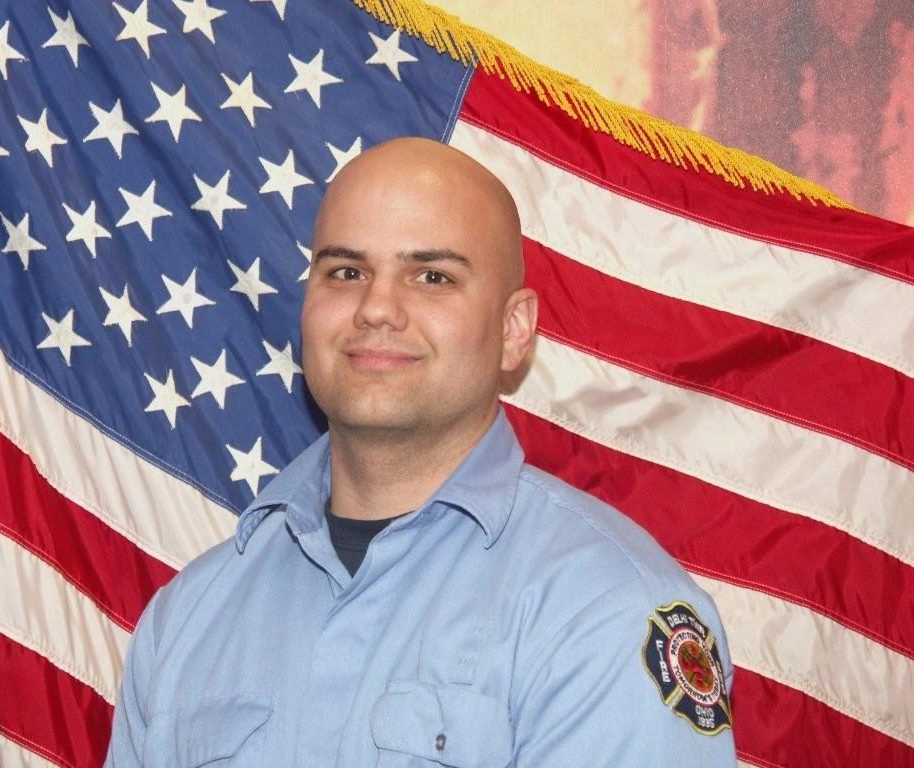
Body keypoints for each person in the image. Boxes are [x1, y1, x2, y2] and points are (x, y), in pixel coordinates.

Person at [105, 137, 736, 766]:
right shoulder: (189, 617)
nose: (377, 308)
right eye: (346, 272)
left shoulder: (605, 607)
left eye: (432, 277)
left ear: (513, 330)